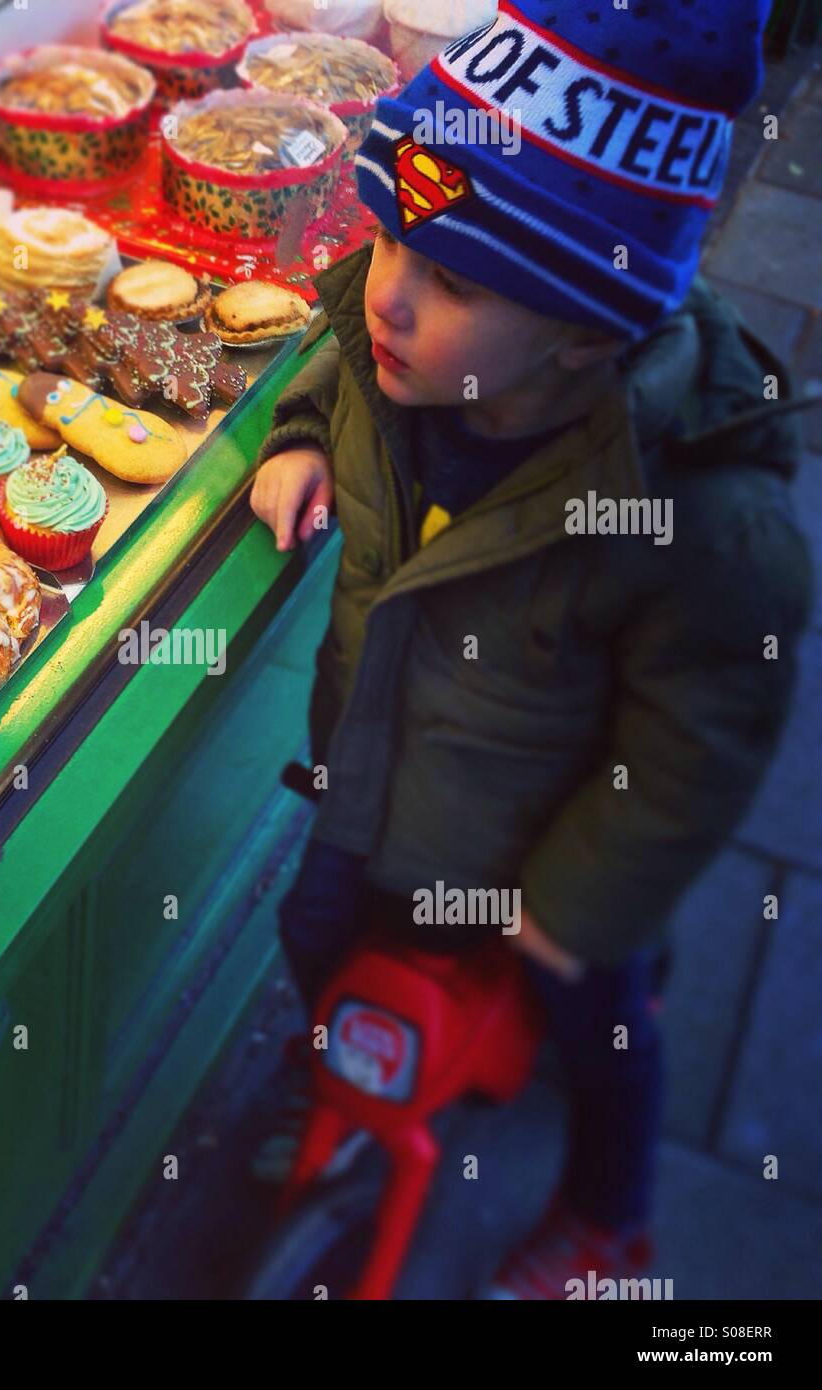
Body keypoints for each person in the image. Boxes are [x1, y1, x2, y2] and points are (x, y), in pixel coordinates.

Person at [248, 0, 815, 1299]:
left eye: (451, 277)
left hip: (542, 853)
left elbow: (701, 743)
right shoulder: (398, 356)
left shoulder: (692, 516)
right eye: (389, 231)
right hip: (371, 789)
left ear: (585, 327)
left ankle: (607, 1213)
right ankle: (342, 1063)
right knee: (317, 924)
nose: (388, 288)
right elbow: (335, 360)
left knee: (600, 1019)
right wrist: (293, 436)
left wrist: (581, 901)